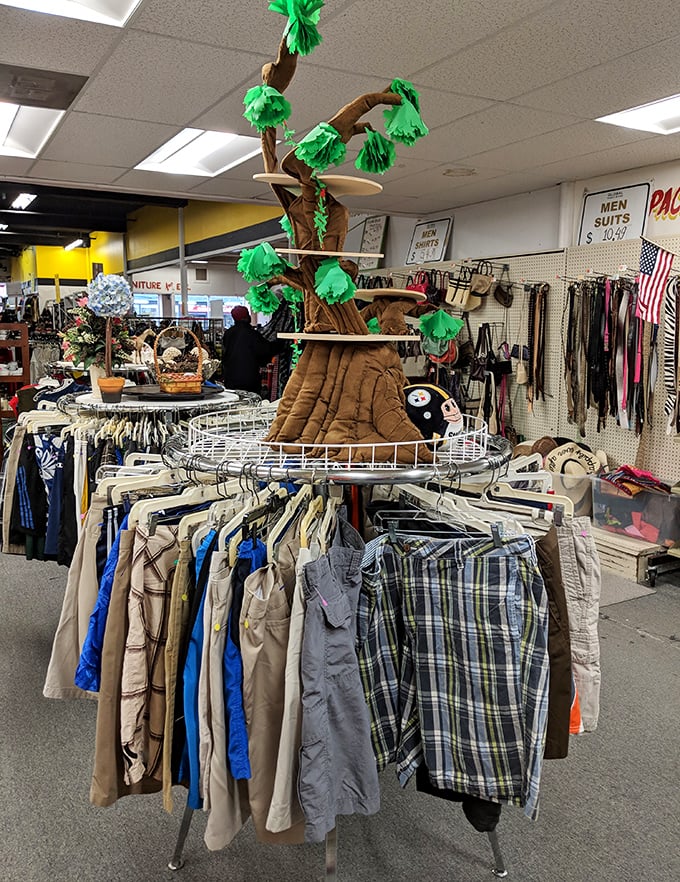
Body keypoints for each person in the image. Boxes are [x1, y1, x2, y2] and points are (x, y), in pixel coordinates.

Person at [221, 305, 282, 394]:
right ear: (246, 317)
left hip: (230, 378)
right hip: (249, 379)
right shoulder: (252, 334)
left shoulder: (228, 333)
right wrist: (281, 343)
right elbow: (265, 350)